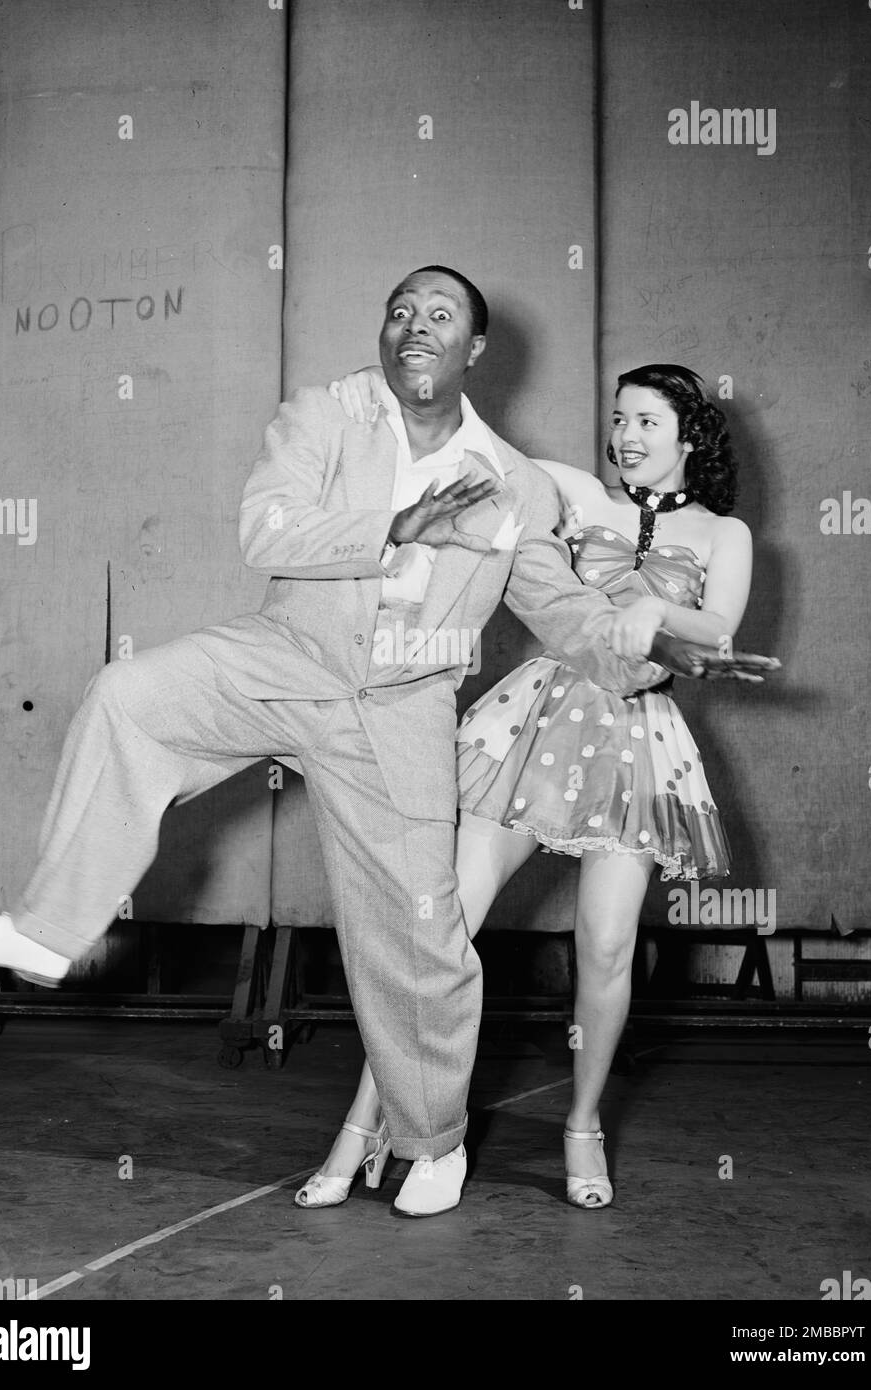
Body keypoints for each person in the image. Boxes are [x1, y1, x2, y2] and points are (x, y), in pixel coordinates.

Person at [0, 268, 774, 1219]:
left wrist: (661, 648)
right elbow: (266, 528)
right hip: (292, 653)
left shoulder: (519, 486)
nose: (417, 326)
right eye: (402, 310)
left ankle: (433, 1144)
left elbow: (565, 612)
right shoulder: (323, 417)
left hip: (403, 706)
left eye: (442, 314)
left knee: (421, 930)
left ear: (476, 351)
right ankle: (47, 932)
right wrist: (395, 525)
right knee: (130, 694)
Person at [309, 359, 764, 1210]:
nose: (626, 435)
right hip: (534, 726)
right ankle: (367, 1121)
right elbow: (481, 453)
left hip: (636, 743)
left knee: (604, 946)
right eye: (620, 419)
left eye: (647, 422)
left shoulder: (722, 535)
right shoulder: (579, 497)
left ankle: (583, 1125)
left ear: (691, 435)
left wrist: (654, 614)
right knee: (437, 930)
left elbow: (720, 631)